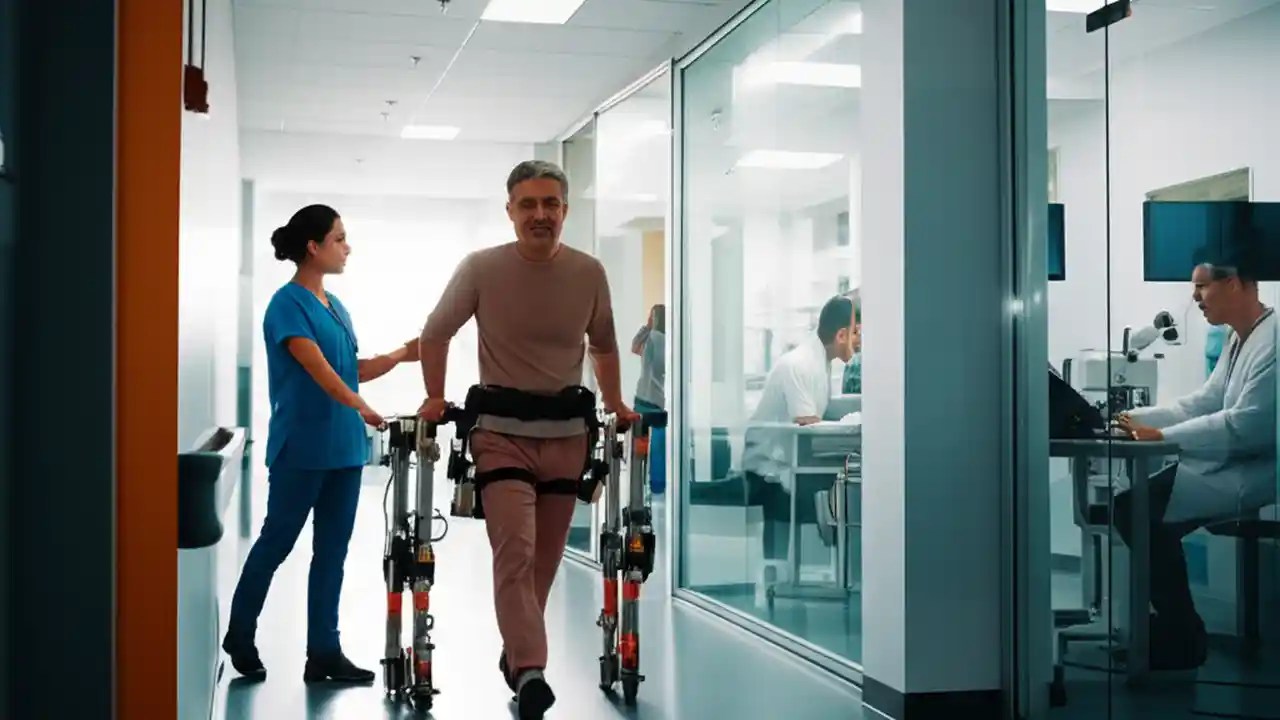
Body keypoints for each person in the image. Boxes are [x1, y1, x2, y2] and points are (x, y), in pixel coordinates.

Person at [417, 160, 638, 719]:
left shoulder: (588, 272)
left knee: (544, 561)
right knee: (514, 552)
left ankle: (516, 652)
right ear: (510, 210)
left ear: (565, 210)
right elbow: (435, 333)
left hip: (567, 437)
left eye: (551, 204)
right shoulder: (481, 268)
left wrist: (615, 402)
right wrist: (435, 396)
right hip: (500, 435)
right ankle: (533, 670)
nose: (540, 214)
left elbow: (604, 345)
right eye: (528, 204)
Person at [222, 204, 421, 684]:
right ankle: (240, 635)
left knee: (332, 555)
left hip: (345, 452)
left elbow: (351, 370)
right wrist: (363, 407)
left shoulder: (337, 308)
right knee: (276, 543)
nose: (347, 247)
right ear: (313, 247)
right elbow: (319, 371)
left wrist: (404, 353)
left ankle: (324, 652)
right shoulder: (286, 305)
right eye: (339, 239)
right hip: (302, 450)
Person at [1115, 259, 1277, 670]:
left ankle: (1182, 635)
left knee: (1136, 510)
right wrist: (1134, 420)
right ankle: (1177, 630)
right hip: (1227, 463)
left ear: (1234, 283)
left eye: (1202, 286)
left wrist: (1162, 436)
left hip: (1255, 471)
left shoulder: (1274, 338)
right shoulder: (1239, 337)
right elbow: (1204, 402)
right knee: (1136, 510)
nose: (1195, 298)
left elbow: (1248, 423)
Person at [740, 295, 859, 598]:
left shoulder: (820, 362)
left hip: (788, 460)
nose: (860, 342)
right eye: (857, 333)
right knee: (852, 490)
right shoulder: (800, 364)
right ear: (841, 335)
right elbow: (807, 425)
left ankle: (846, 572)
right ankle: (842, 573)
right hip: (768, 468)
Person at [632, 304, 666, 493]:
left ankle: (639, 483)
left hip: (644, 398)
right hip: (658, 400)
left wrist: (647, 326)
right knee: (658, 447)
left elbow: (634, 347)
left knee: (640, 443)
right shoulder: (669, 341)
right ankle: (657, 485)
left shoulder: (652, 338)